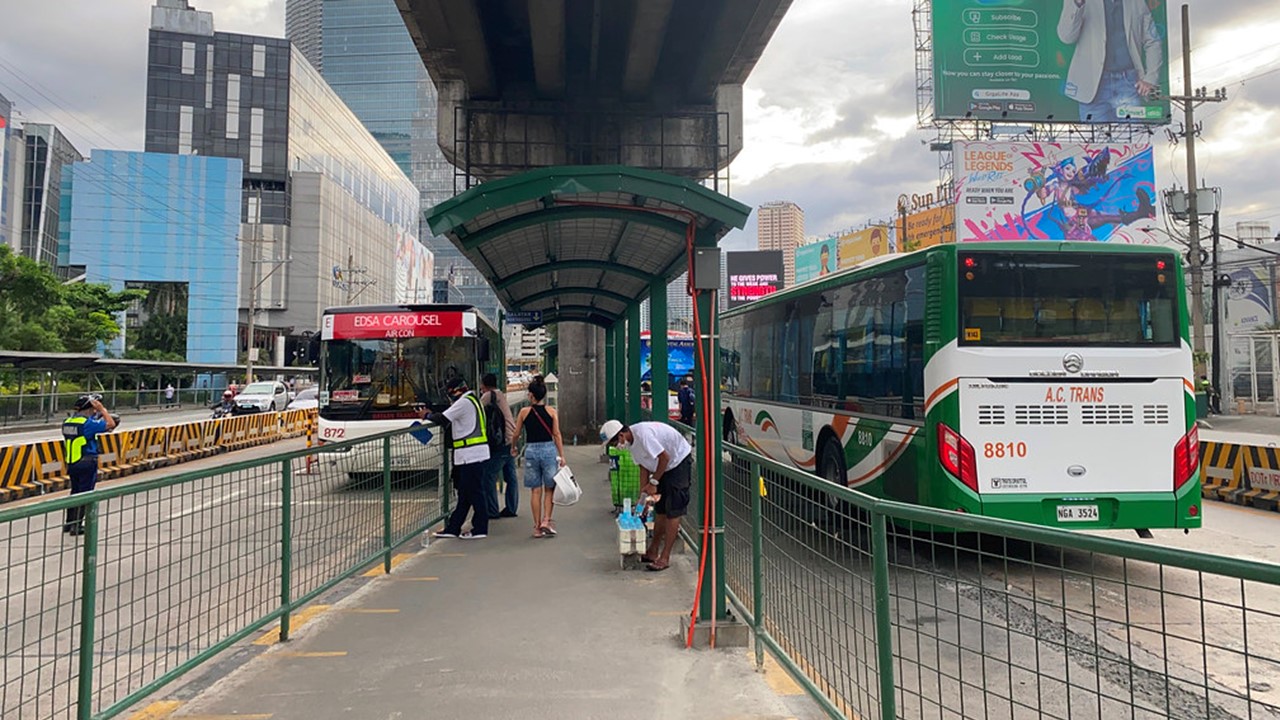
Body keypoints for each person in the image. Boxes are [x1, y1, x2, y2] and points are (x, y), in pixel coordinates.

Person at [600, 419, 691, 571]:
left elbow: (665, 458)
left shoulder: (644, 435)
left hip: (677, 461)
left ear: (621, 435)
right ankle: (653, 550)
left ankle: (665, 556)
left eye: (615, 443)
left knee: (673, 510)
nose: (617, 446)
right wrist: (643, 494)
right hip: (662, 467)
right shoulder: (632, 444)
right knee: (660, 510)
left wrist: (654, 483)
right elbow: (643, 467)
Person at [1058, 0, 1164, 122]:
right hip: (1092, 86)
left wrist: (1150, 78)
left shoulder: (1137, 2)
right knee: (1096, 140)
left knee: (1132, 138)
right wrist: (1077, 4)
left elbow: (1153, 41)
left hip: (1128, 83)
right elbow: (1066, 37)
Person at [427, 377, 491, 540]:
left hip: (470, 455)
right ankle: (453, 528)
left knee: (475, 493)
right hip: (472, 454)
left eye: (450, 393)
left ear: (456, 391)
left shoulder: (463, 403)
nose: (449, 397)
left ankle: (480, 529)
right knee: (465, 494)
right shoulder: (473, 400)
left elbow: (442, 419)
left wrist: (426, 414)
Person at [510, 376, 565, 538]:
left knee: (536, 490)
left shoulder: (524, 412)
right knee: (550, 488)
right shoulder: (552, 412)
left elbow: (516, 433)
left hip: (531, 450)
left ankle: (536, 527)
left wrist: (513, 447)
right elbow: (557, 434)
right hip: (549, 450)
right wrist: (562, 455)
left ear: (532, 396)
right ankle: (546, 520)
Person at [62, 394, 117, 535]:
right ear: (88, 408)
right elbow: (111, 424)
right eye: (93, 408)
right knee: (85, 494)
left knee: (75, 492)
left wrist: (97, 415)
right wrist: (103, 410)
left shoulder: (68, 422)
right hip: (87, 461)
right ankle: (77, 526)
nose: (95, 411)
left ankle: (69, 523)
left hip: (72, 462)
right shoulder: (88, 424)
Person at [479, 373, 518, 520]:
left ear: (485, 385)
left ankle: (492, 510)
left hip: (501, 442)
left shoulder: (489, 395)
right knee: (511, 476)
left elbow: (476, 408)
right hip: (511, 439)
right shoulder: (500, 394)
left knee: (488, 476)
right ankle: (511, 507)